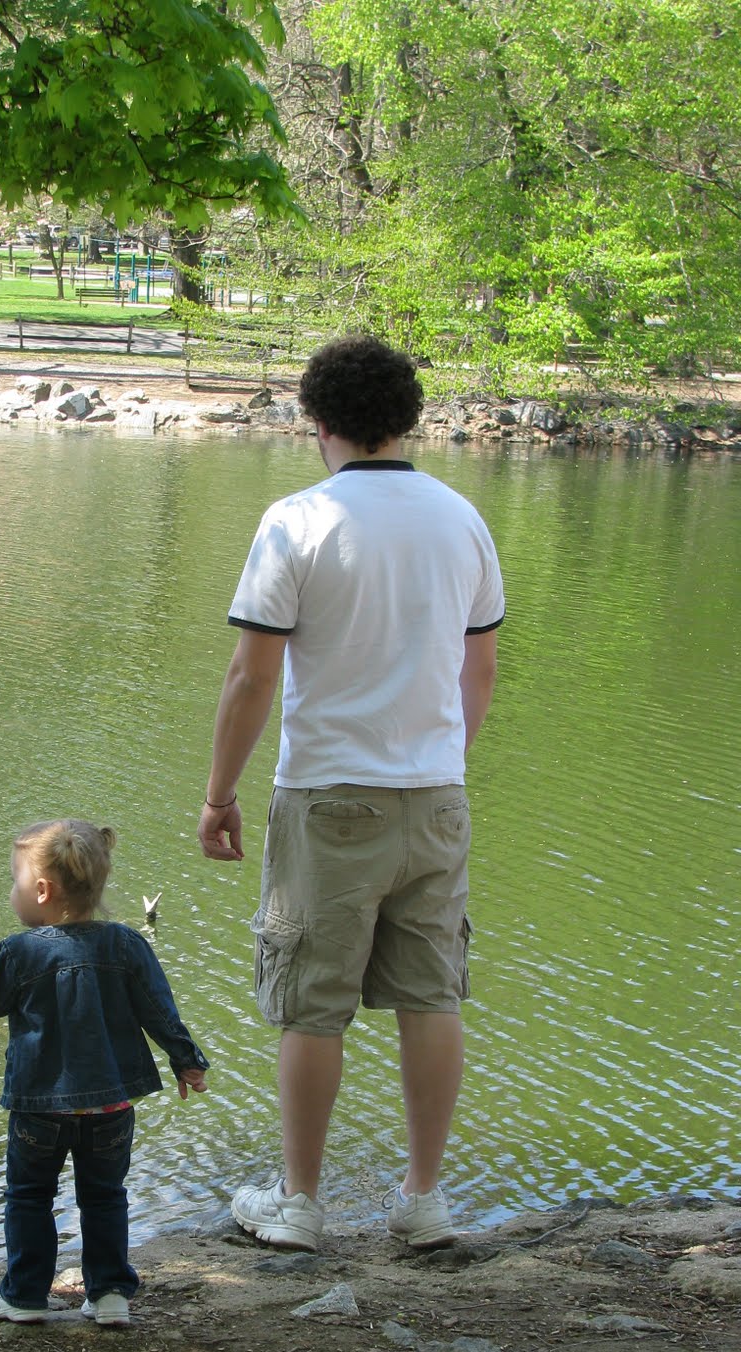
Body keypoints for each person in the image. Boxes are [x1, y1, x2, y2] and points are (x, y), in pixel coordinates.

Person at [198, 333, 504, 1253]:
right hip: (436, 796)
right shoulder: (462, 519)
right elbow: (479, 667)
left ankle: (299, 1204)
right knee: (431, 996)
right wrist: (439, 759)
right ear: (407, 418)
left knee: (310, 1002)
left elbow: (251, 679)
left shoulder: (297, 519)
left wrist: (219, 795)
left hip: (329, 796)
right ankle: (424, 1202)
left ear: (316, 421)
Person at [0, 819, 209, 1326]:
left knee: (28, 1196)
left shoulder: (19, 952)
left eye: (15, 881)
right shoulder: (127, 945)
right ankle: (109, 1293)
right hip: (110, 1106)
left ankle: (24, 1295)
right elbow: (159, 1009)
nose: (12, 892)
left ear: (42, 891)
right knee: (105, 1196)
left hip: (38, 1106)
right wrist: (187, 1060)